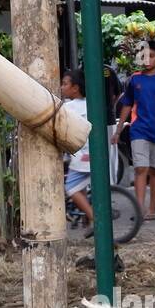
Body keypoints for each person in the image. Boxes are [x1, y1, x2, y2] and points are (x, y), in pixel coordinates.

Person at [112, 40, 155, 221]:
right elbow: (126, 106)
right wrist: (119, 130)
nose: (147, 60)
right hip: (139, 130)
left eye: (152, 56)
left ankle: (152, 209)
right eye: (144, 56)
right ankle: (140, 208)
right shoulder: (134, 79)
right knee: (141, 168)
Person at [60, 69, 95, 230]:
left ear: (75, 88)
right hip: (92, 153)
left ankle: (93, 218)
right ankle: (86, 219)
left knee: (71, 188)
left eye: (65, 84)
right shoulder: (90, 104)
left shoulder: (69, 107)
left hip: (81, 155)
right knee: (82, 187)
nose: (62, 87)